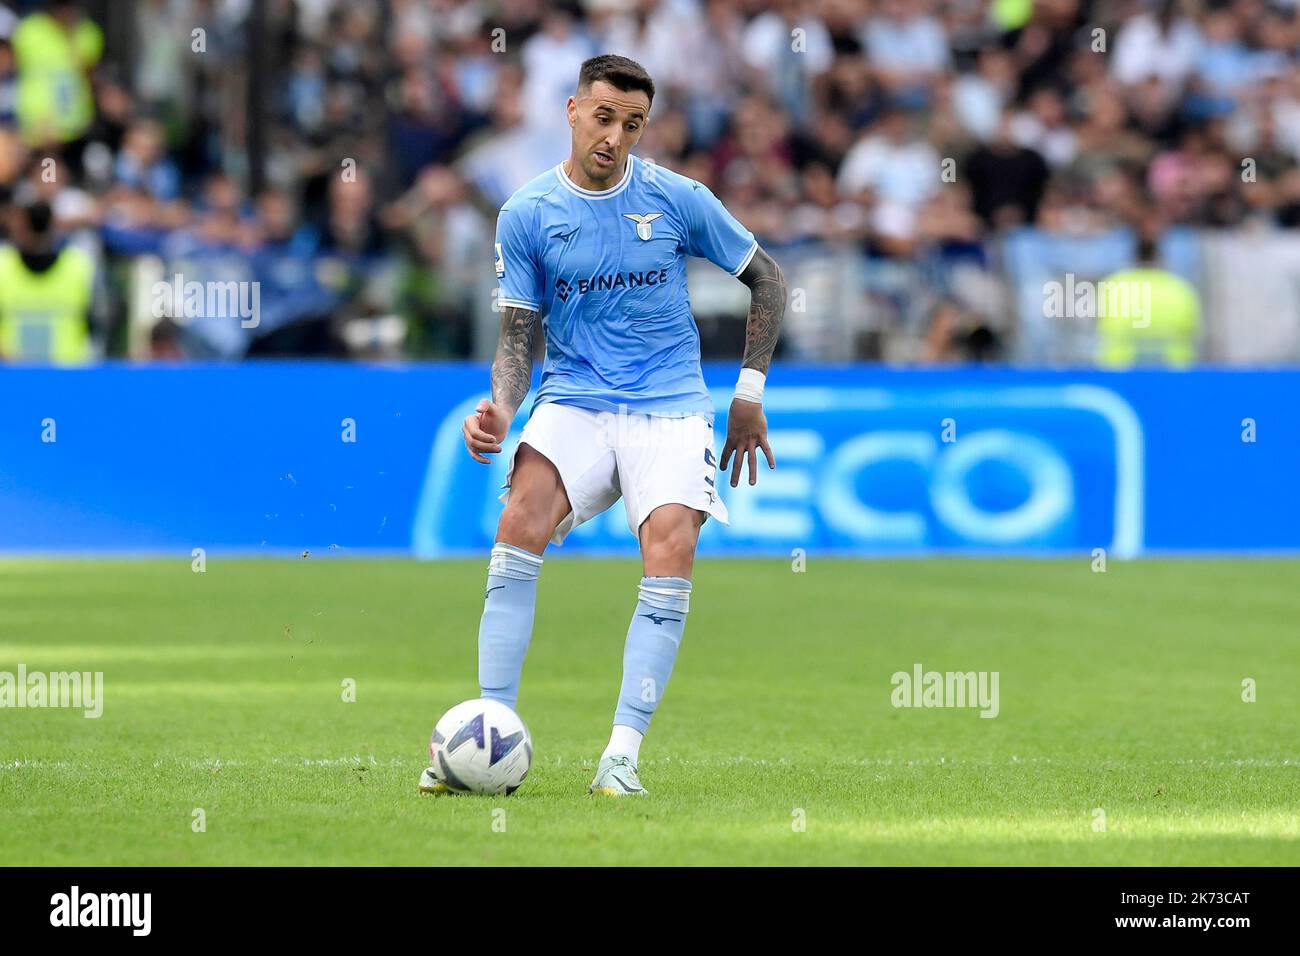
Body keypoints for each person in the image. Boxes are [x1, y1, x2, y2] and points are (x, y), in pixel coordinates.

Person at [420, 55, 787, 797]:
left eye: (632, 124)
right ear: (572, 111)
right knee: (520, 518)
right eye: (604, 117)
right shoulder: (526, 213)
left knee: (671, 546)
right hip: (577, 397)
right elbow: (519, 334)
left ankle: (620, 757)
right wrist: (500, 404)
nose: (615, 135)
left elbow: (769, 280)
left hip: (672, 403)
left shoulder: (678, 199)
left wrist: (748, 393)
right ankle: (488, 734)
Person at [0, 199, 96, 364]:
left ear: (21, 227)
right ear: (54, 226)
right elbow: (97, 324)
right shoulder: (79, 265)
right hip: (21, 376)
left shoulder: (3, 265)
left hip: (47, 376)